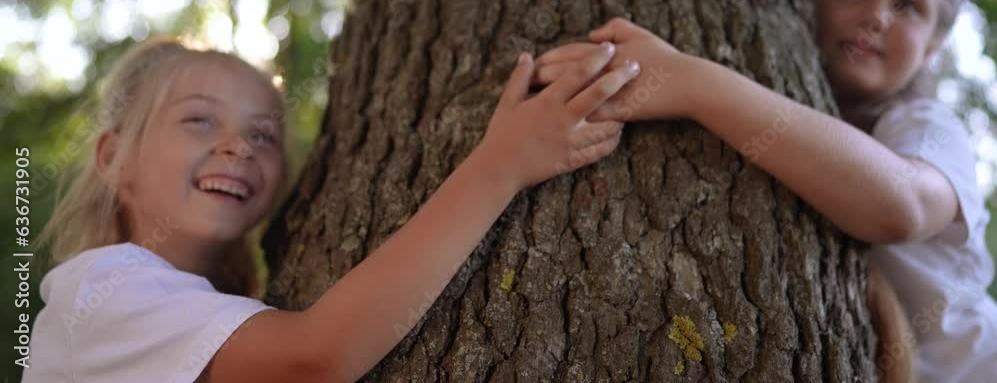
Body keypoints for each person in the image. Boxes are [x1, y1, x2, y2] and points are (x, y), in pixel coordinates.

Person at [24, 35, 641, 383]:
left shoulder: (220, 313)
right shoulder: (99, 291)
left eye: (264, 134)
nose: (238, 145)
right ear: (112, 158)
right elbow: (316, 357)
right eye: (199, 120)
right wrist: (500, 164)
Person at [532, 0, 997, 382]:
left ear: (933, 46)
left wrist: (691, 81)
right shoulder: (789, 116)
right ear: (806, 6)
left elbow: (902, 204)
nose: (876, 16)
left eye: (908, 5)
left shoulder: (927, 124)